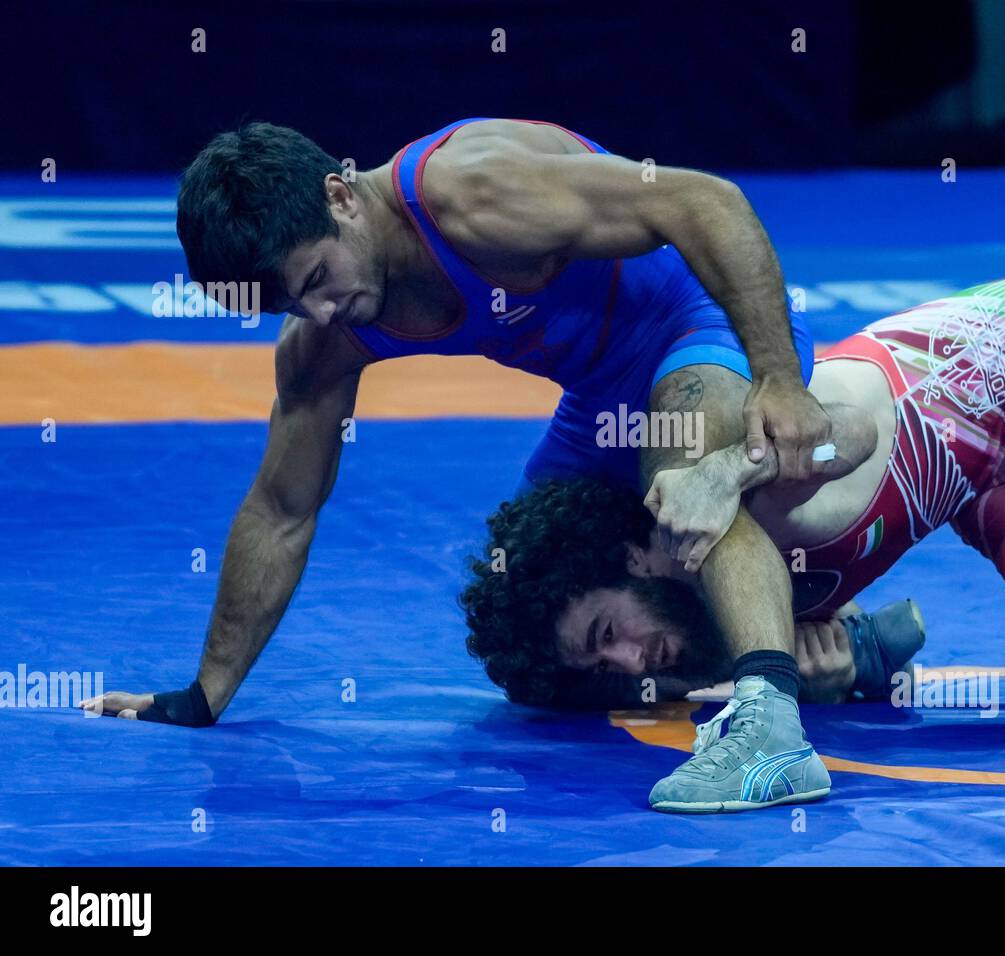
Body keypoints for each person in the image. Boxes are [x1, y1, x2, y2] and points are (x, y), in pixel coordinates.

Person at [79, 118, 839, 811]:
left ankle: (772, 731)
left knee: (682, 483)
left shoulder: (473, 192)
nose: (320, 316)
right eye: (290, 305)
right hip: (597, 393)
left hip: (695, 321)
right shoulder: (324, 333)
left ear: (340, 196)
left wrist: (777, 377)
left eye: (316, 281)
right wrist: (206, 693)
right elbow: (282, 510)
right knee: (538, 640)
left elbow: (706, 202)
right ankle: (818, 647)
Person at [463, 275, 1005, 810]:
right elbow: (886, 631)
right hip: (991, 483)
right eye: (596, 672)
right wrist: (838, 674)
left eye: (605, 636)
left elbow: (855, 436)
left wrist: (730, 472)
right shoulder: (711, 634)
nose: (629, 667)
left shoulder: (702, 503)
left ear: (632, 557)